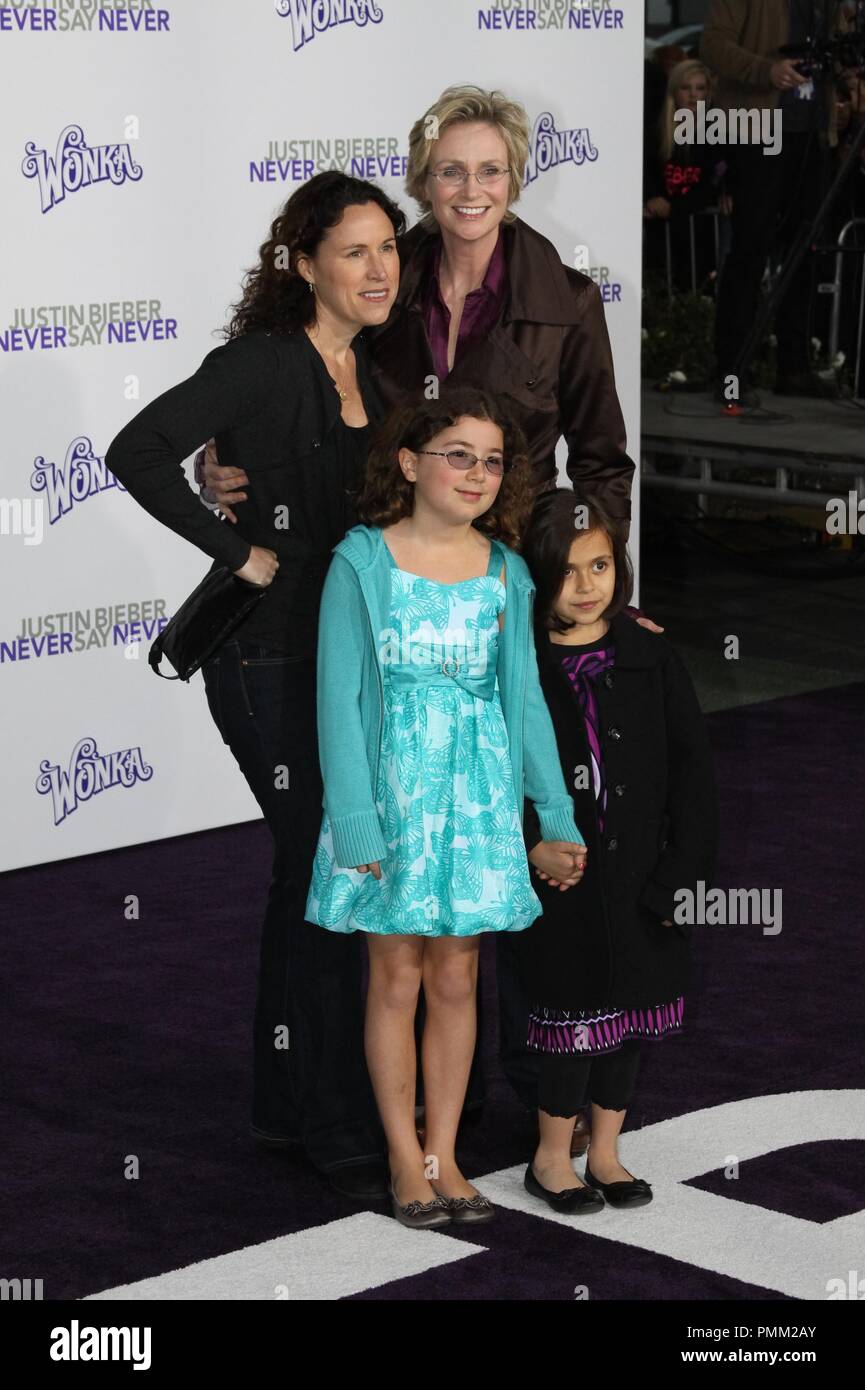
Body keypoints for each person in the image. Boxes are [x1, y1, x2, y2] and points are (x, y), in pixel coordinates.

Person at [197, 85, 652, 1153]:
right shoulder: (376, 276)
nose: (469, 191)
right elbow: (285, 374)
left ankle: (492, 1106)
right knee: (352, 863)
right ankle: (330, 1108)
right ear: (420, 179)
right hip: (379, 602)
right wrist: (222, 463)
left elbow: (602, 463)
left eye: (489, 170)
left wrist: (583, 585)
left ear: (516, 179)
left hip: (504, 606)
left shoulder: (563, 301)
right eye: (449, 170)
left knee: (496, 857)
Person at [104, 172, 406, 1200]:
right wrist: (233, 549)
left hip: (351, 659)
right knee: (328, 867)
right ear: (304, 263)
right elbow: (136, 448)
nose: (376, 270)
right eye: (354, 251)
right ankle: (333, 1120)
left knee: (305, 873)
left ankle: (288, 1103)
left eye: (386, 250)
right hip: (266, 657)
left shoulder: (381, 373)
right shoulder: (260, 365)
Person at [304, 389, 586, 1227]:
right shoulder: (362, 561)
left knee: (459, 976)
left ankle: (444, 1154)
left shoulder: (508, 571)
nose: (477, 473)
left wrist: (556, 814)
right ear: (409, 463)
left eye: (493, 459)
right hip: (393, 798)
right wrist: (354, 816)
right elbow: (338, 698)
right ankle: (401, 1160)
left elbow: (525, 702)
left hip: (478, 798)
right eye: (458, 454)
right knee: (395, 975)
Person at [516, 488, 719, 1213]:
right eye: (567, 571)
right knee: (569, 1020)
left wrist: (682, 876)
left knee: (631, 1017)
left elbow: (694, 773)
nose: (587, 585)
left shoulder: (648, 653)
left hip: (644, 877)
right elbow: (498, 776)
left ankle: (604, 1151)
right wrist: (530, 848)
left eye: (599, 565)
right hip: (561, 884)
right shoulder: (523, 664)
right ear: (537, 576)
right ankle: (550, 1156)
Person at [701, 0, 851, 402]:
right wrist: (766, 69)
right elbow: (712, 44)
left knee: (806, 249)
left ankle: (794, 367)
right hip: (755, 128)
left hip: (813, 133)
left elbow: (838, 48)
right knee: (750, 248)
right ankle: (731, 373)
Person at [644, 60, 730, 293]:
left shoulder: (718, 130)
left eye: (700, 88)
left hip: (700, 233)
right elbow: (646, 169)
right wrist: (652, 198)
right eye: (686, 88)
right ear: (674, 91)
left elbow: (717, 175)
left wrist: (677, 208)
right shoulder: (655, 129)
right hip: (661, 234)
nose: (694, 95)